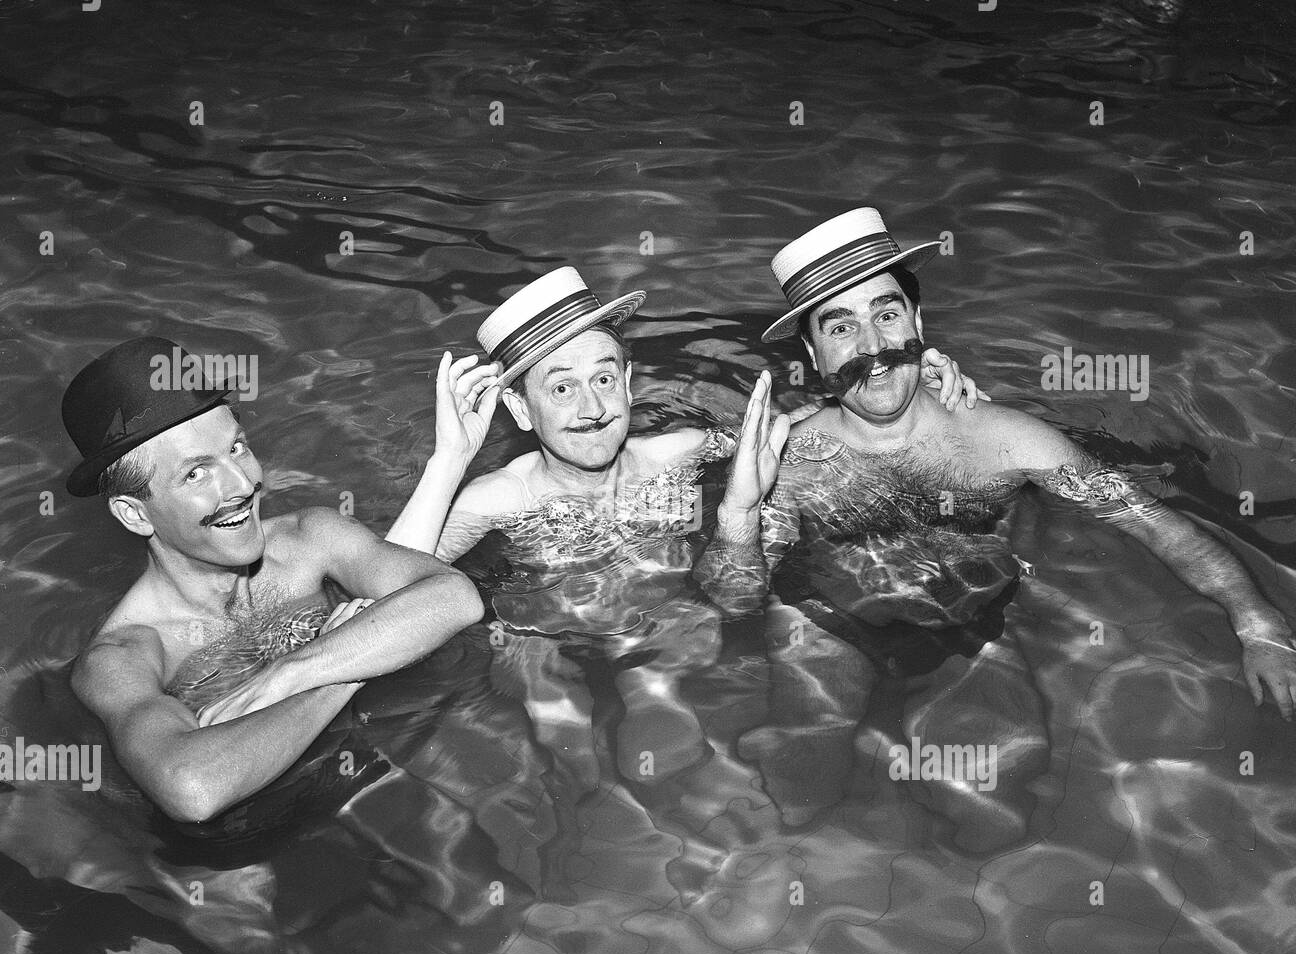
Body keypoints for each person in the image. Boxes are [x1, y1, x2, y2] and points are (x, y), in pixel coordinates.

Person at [699, 208, 1296, 828]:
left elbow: (1149, 521)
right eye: (840, 326)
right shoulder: (785, 459)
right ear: (812, 350)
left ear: (918, 321)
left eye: (886, 313)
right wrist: (740, 510)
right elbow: (733, 600)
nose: (872, 347)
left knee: (996, 823)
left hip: (972, 621)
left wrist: (1256, 620)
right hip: (827, 626)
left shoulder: (1010, 440)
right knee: (796, 802)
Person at [387, 265, 983, 787]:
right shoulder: (494, 501)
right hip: (549, 648)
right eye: (561, 387)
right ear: (520, 409)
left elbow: (790, 434)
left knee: (710, 728)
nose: (591, 409)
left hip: (681, 638)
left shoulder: (683, 452)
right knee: (557, 750)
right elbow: (385, 601)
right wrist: (448, 462)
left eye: (602, 379)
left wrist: (907, 386)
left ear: (627, 381)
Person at [62, 337, 482, 825]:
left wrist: (288, 675)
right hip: (247, 847)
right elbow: (191, 789)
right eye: (197, 473)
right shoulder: (124, 655)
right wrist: (347, 670)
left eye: (236, 447)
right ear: (135, 514)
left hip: (379, 773)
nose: (242, 485)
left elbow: (454, 597)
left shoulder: (312, 538)